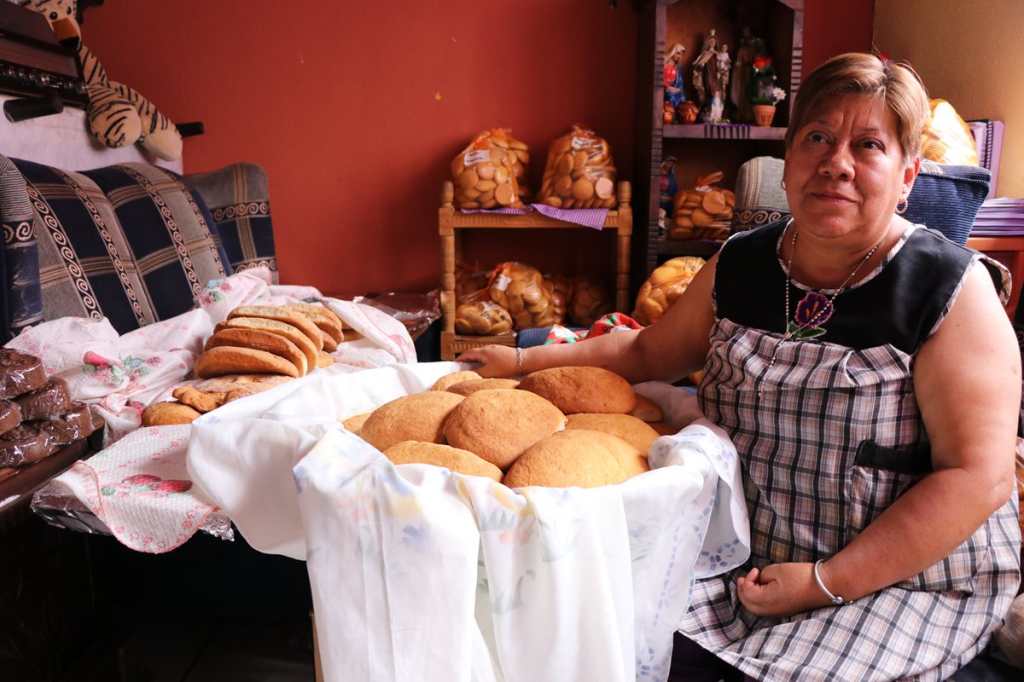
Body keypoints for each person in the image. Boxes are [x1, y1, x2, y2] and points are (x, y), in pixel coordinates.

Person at [461, 52, 1022, 681]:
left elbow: (979, 477)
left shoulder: (948, 290)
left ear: (908, 175)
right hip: (741, 556)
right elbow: (647, 352)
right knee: (577, 635)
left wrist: (826, 581)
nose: (837, 163)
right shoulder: (743, 264)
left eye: (868, 145)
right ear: (788, 164)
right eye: (818, 138)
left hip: (895, 579)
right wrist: (521, 357)